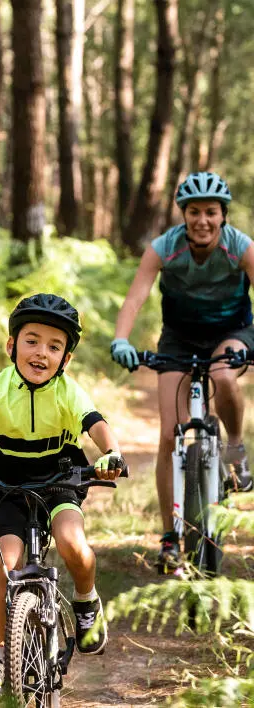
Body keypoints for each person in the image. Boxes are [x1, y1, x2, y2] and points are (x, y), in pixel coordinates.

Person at [0, 293, 125, 700]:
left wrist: (111, 454)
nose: (42, 352)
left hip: (60, 480)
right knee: (5, 564)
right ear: (12, 346)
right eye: (32, 340)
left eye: (55, 346)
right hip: (6, 486)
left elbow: (97, 425)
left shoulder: (68, 392)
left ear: (66, 359)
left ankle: (86, 599)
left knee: (74, 543)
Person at [111, 171, 254, 571]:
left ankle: (236, 451)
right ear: (184, 215)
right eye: (194, 212)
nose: (203, 220)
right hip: (179, 338)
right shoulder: (163, 249)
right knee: (168, 435)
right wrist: (122, 340)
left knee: (225, 376)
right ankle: (170, 536)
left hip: (232, 332)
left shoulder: (241, 247)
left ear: (223, 216)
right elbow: (136, 297)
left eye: (211, 212)